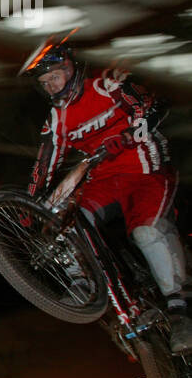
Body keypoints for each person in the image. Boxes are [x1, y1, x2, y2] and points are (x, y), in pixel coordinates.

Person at [20, 32, 191, 353]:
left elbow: (151, 104)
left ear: (70, 68)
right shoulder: (58, 118)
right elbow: (43, 165)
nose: (51, 86)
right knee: (61, 217)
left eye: (54, 77)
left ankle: (179, 309)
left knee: (146, 232)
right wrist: (30, 206)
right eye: (45, 83)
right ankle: (83, 280)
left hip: (146, 171)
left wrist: (132, 131)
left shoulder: (107, 84)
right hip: (103, 180)